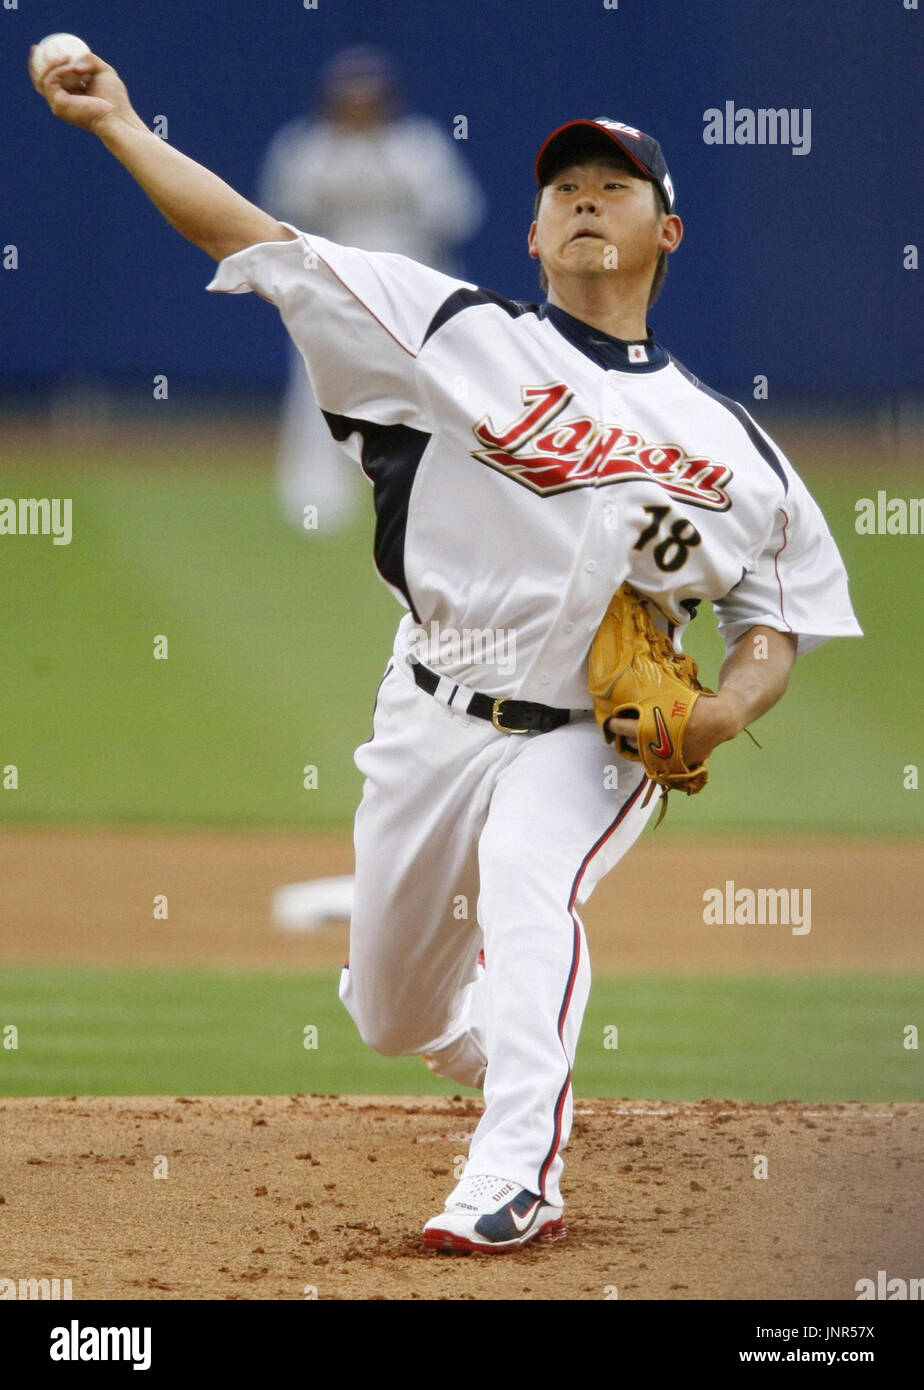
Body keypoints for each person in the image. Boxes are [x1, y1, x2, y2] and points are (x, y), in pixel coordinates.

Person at [33, 50, 862, 1255]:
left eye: (615, 187)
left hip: (588, 736)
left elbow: (773, 621)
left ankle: (516, 1170)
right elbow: (260, 243)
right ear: (530, 233)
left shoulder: (737, 451)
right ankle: (495, 1049)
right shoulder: (453, 332)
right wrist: (118, 125)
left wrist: (725, 714)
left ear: (667, 230)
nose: (586, 198)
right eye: (566, 186)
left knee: (533, 883)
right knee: (386, 1010)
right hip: (428, 704)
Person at [257, 44, 485, 531]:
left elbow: (458, 212)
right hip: (331, 285)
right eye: (349, 98)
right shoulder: (308, 148)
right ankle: (315, 502)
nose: (359, 108)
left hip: (410, 287)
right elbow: (280, 215)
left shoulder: (417, 147)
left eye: (368, 98)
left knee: (430, 386)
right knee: (316, 383)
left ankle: (443, 495)